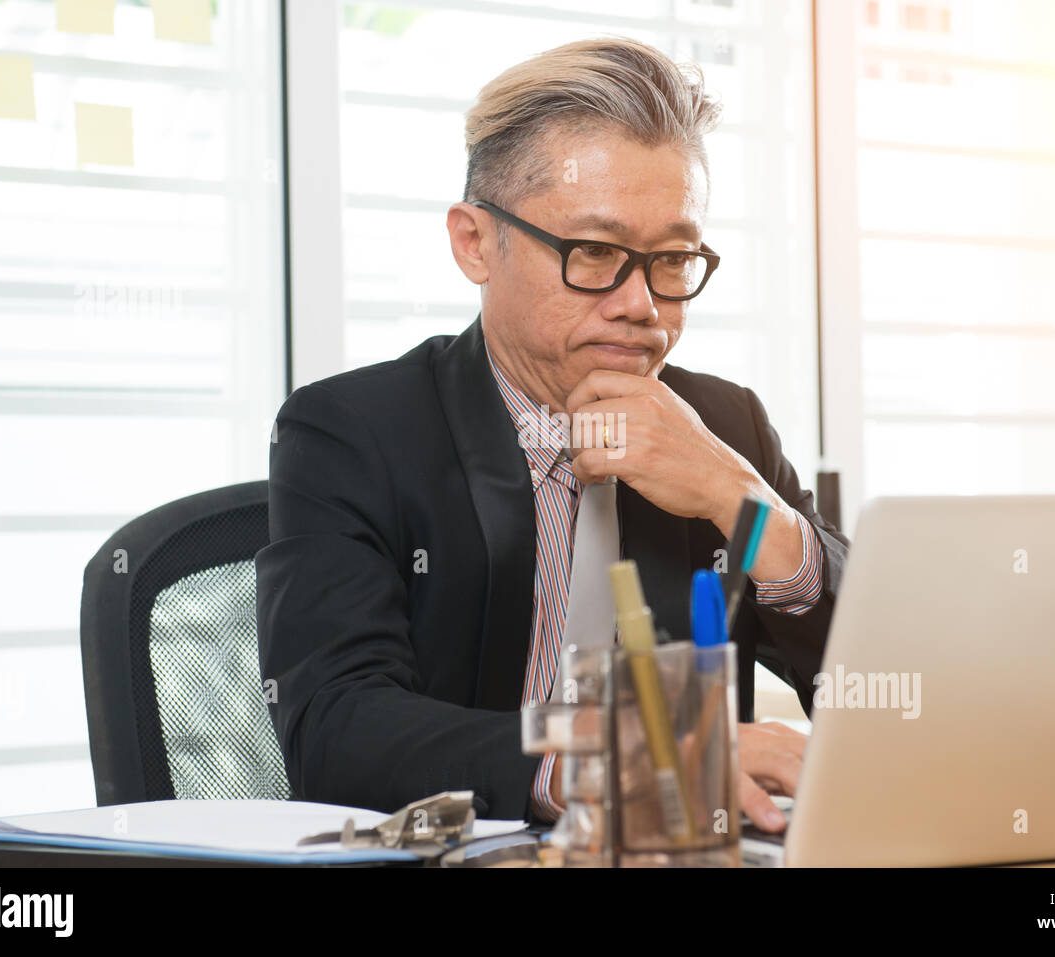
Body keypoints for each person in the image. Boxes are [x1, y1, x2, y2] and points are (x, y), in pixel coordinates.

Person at [256, 37, 848, 833]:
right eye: (597, 252)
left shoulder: (722, 425)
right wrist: (623, 760)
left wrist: (741, 501)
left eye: (672, 258)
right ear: (475, 242)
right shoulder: (354, 434)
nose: (643, 304)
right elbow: (338, 729)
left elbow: (880, 690)